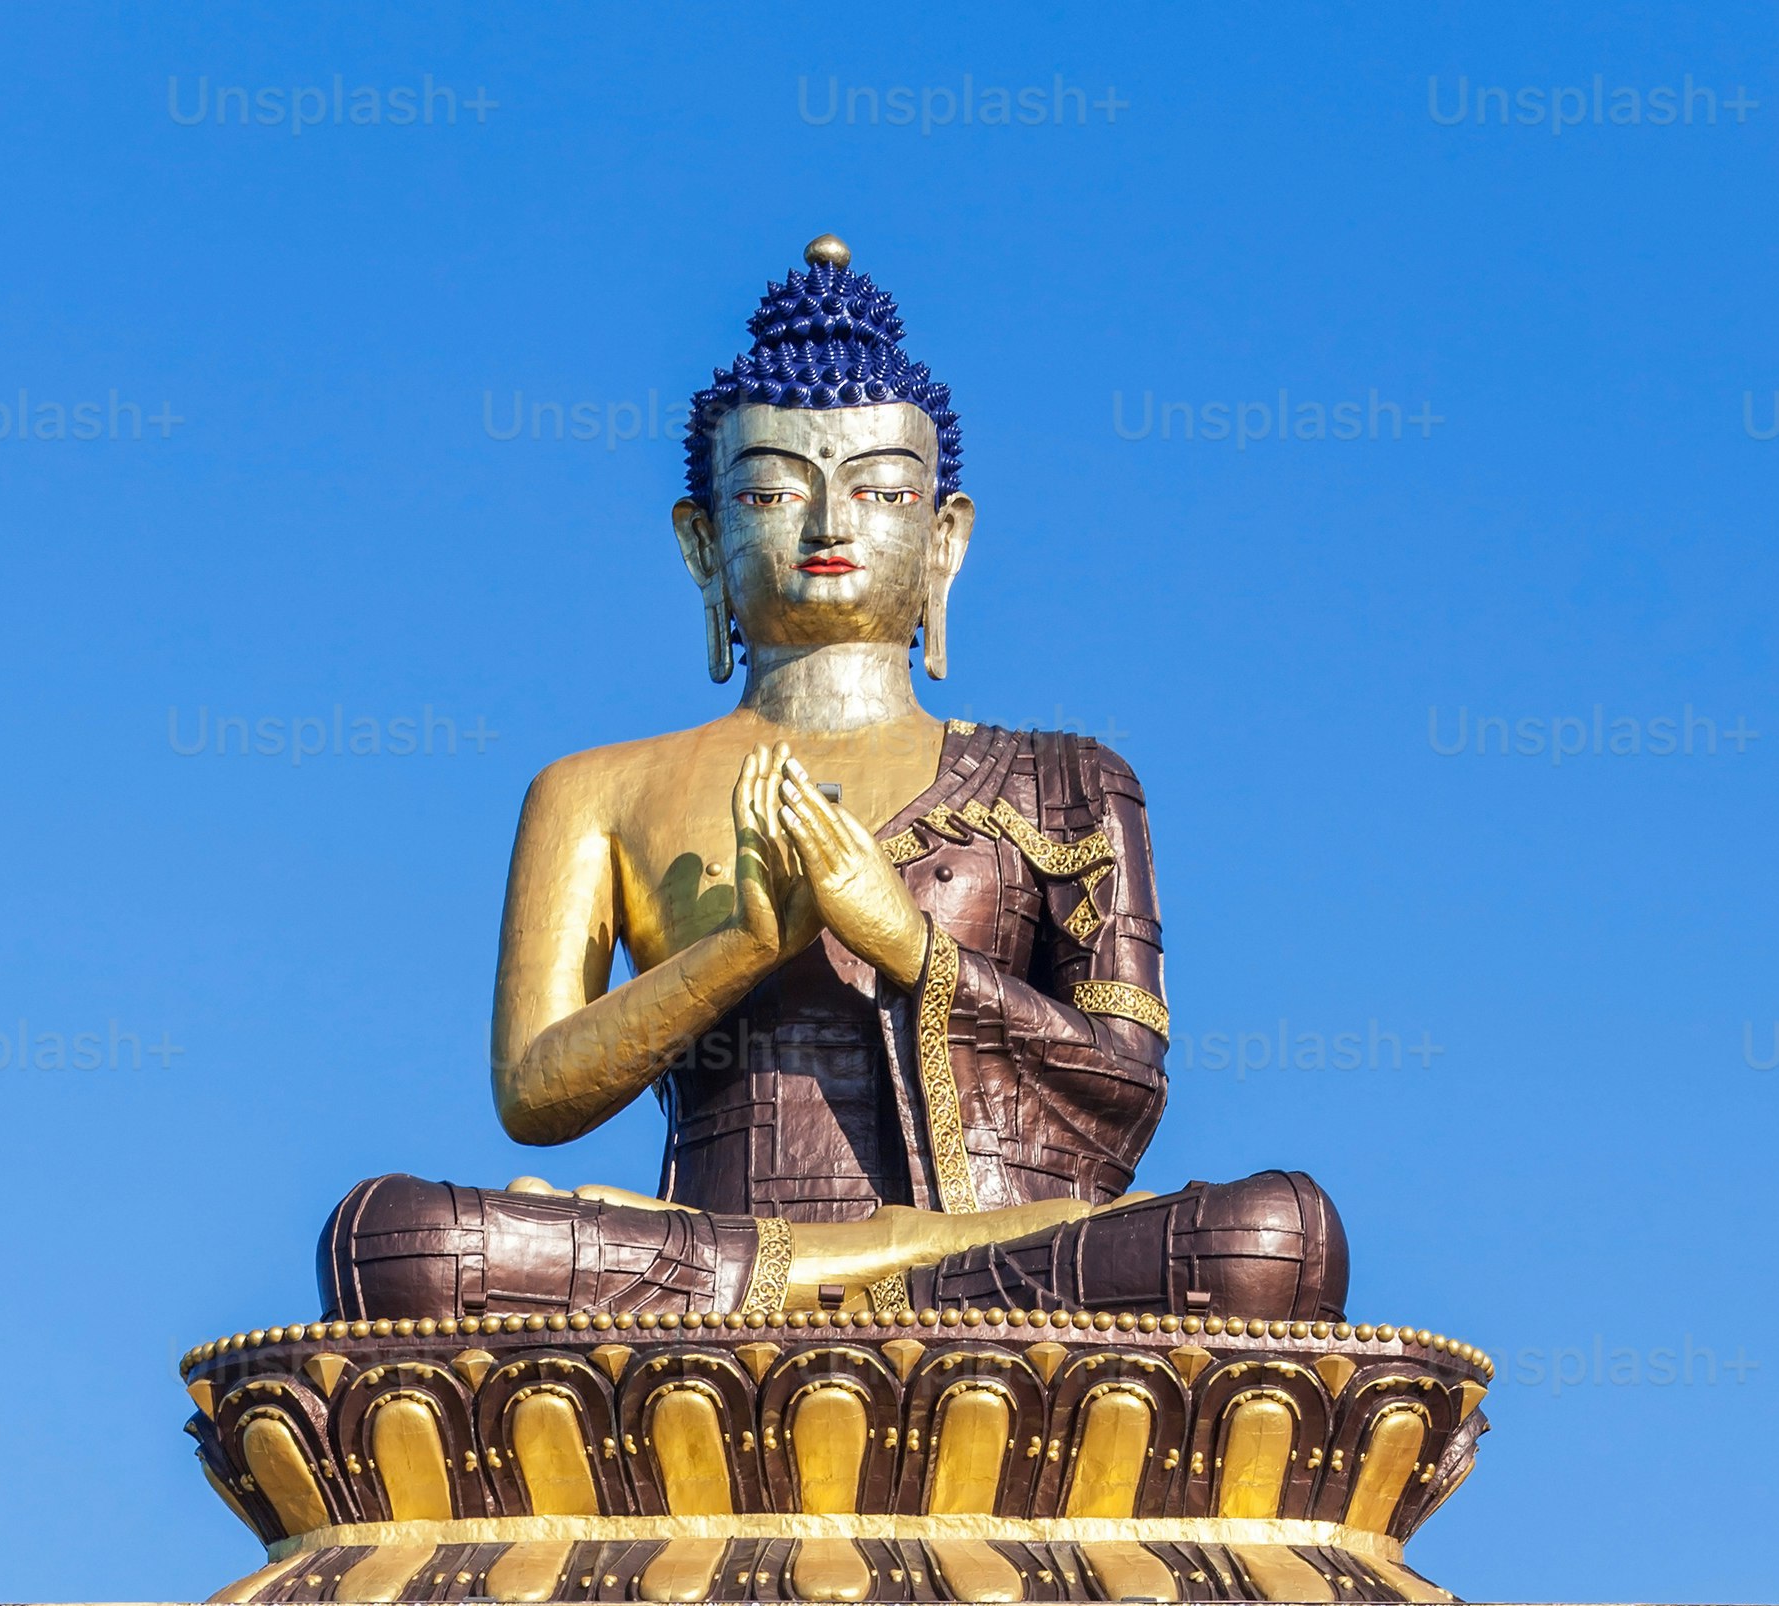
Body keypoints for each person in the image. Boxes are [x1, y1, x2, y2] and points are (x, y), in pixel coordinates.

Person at [322, 245, 1346, 1329]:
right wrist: (747, 946)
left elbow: (1126, 1084)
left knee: (1271, 1236)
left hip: (987, 1240)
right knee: (399, 1240)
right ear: (702, 541)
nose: (827, 526)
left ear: (944, 538)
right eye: (770, 488)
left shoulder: (1071, 778)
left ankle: (871, 1265)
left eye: (880, 489)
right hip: (725, 1244)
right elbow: (534, 1095)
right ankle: (846, 1271)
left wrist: (903, 945)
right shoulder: (594, 789)